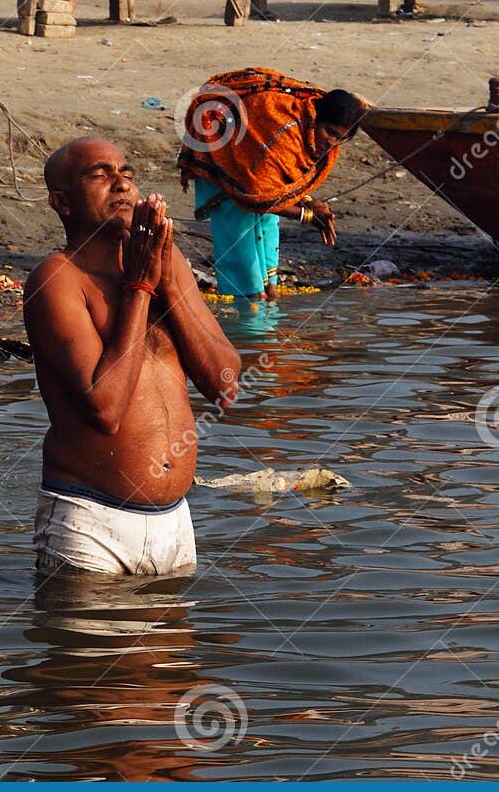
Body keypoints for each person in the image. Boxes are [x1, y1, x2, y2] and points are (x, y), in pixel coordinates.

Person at [24, 138, 240, 575]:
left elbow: (225, 386)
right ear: (61, 202)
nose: (121, 185)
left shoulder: (166, 260)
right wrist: (140, 287)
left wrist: (168, 283)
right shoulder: (58, 279)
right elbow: (105, 409)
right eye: (100, 176)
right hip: (90, 522)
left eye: (127, 174)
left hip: (175, 522)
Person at [176, 69, 367, 302]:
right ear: (316, 119)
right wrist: (306, 215)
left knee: (267, 239)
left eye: (340, 138)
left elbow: (276, 188)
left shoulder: (316, 140)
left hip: (257, 174)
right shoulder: (284, 131)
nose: (331, 142)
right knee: (239, 243)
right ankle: (246, 307)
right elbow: (258, 196)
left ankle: (267, 295)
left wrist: (307, 203)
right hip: (224, 158)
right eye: (330, 132)